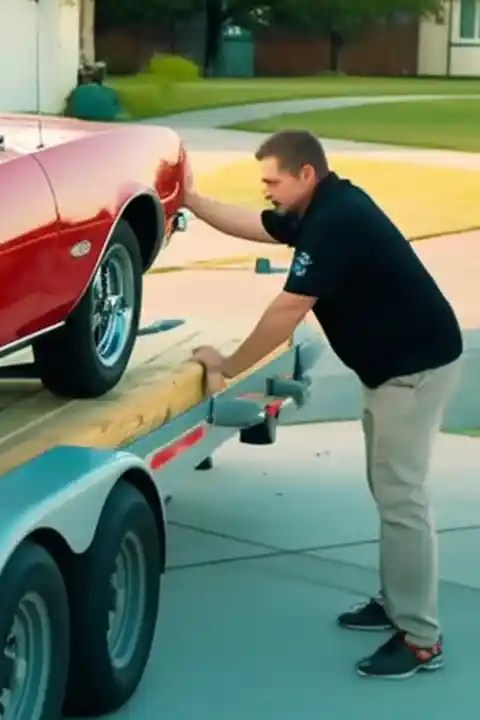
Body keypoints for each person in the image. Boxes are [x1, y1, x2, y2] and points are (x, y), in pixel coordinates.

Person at [181, 129, 463, 679]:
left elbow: (289, 309)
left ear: (306, 173)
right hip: (393, 370)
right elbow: (257, 225)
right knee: (389, 489)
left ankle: (421, 639)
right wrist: (191, 200)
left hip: (414, 372)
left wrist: (230, 365)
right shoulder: (321, 205)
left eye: (272, 181)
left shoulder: (336, 221)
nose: (266, 191)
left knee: (401, 497)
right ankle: (397, 601)